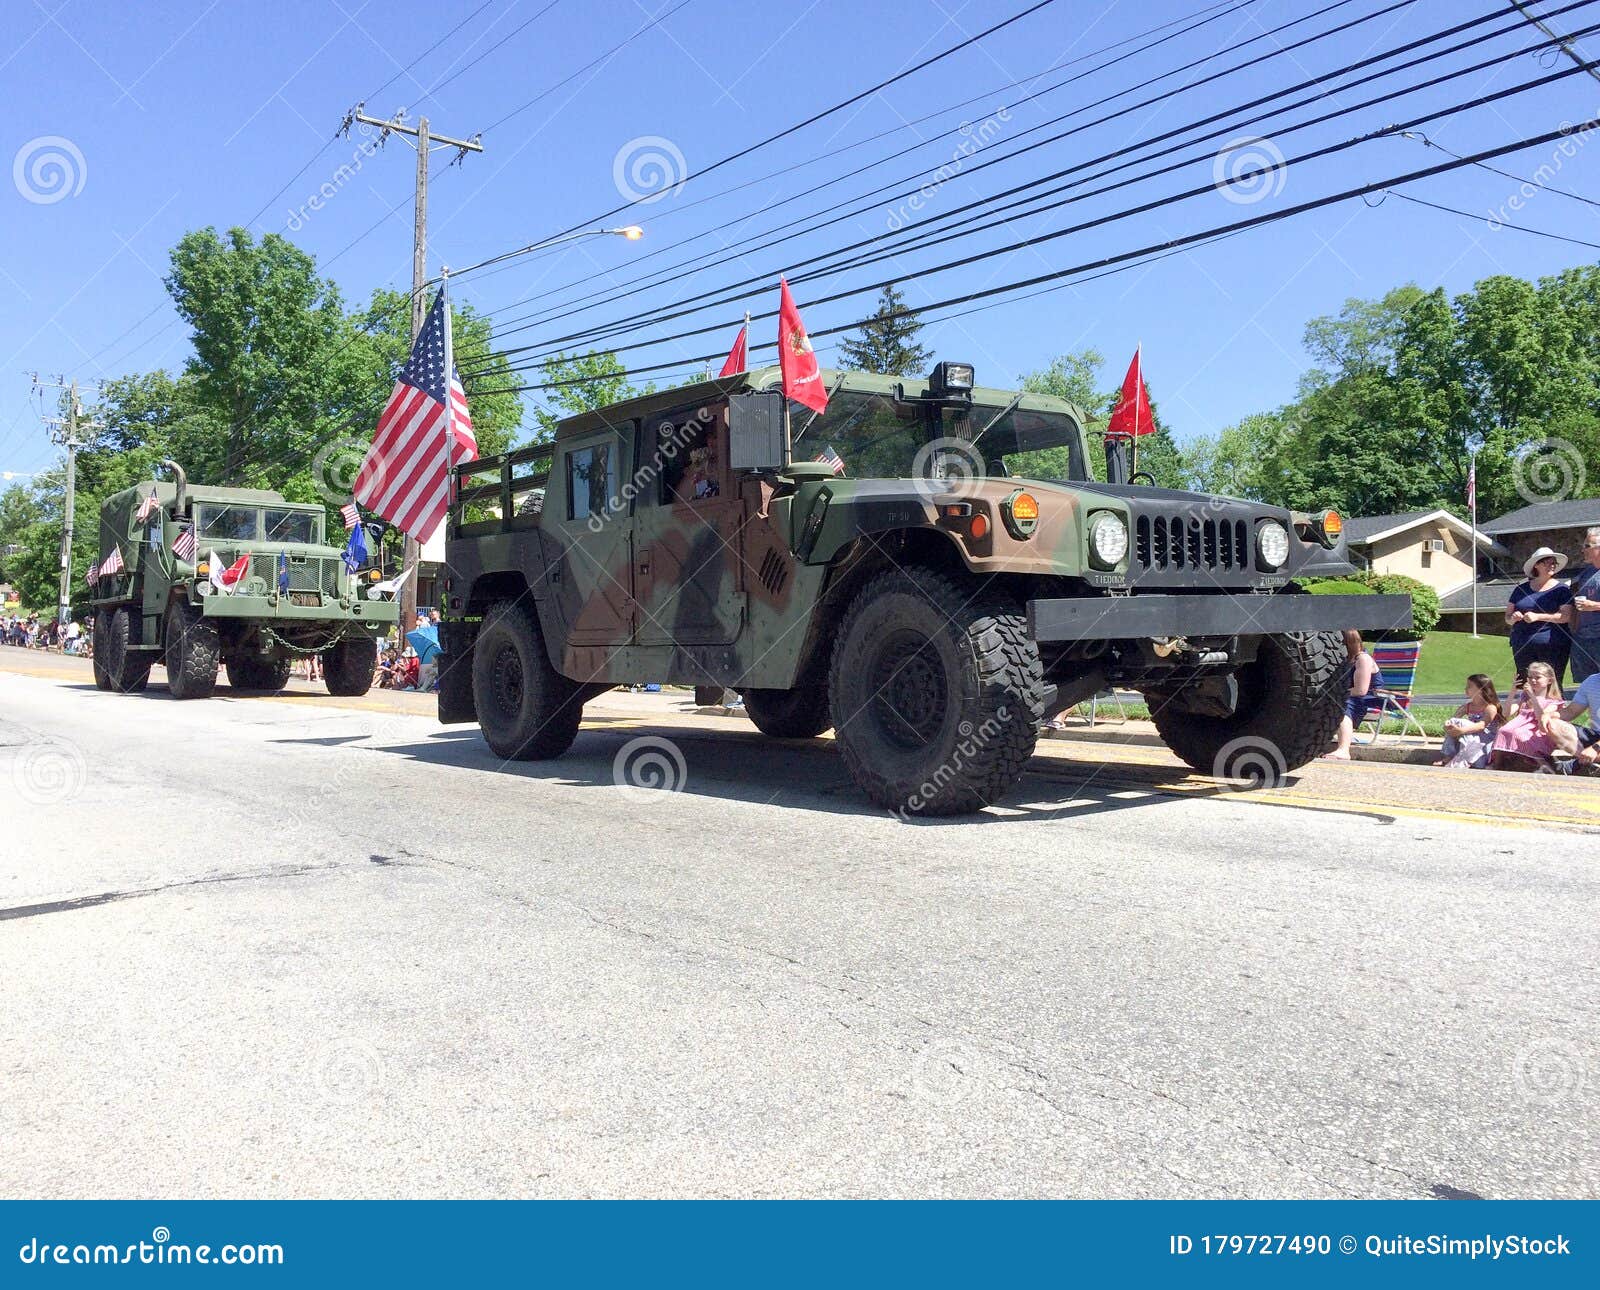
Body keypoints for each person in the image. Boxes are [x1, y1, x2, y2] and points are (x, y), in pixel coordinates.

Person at [1506, 547, 1574, 685]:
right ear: (1536, 565)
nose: (1552, 565)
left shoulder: (1562, 590)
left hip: (1553, 645)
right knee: (1525, 684)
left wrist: (1538, 617)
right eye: (1547, 562)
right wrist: (1513, 617)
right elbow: (1507, 617)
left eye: (1554, 562)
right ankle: (1526, 707)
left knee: (1551, 685)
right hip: (1522, 644)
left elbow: (1565, 616)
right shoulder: (1520, 589)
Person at [1488, 661, 1564, 771]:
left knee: (1518, 733)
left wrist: (1533, 697)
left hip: (1539, 732)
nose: (1533, 680)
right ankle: (1497, 764)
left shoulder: (1553, 702)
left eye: (1537, 677)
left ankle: (1542, 765)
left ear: (1550, 680)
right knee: (1503, 730)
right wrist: (1512, 692)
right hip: (1520, 728)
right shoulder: (1524, 697)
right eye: (1530, 677)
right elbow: (1506, 713)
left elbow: (1541, 718)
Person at [1322, 629, 1380, 760]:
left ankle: (1343, 750)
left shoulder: (1363, 659)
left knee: (1339, 706)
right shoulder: (1348, 660)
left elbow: (1361, 691)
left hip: (1368, 699)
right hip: (1352, 697)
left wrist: (1336, 693)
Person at [1434, 674, 1501, 769]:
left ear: (1481, 690)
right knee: (1454, 723)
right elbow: (1453, 719)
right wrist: (1448, 725)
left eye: (1469, 686)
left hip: (1484, 739)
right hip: (1470, 735)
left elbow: (1482, 725)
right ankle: (1449, 756)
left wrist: (1462, 730)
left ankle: (1462, 759)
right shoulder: (1466, 707)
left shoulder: (1490, 708)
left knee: (1461, 724)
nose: (1465, 688)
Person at [1546, 667, 1600, 771]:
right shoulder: (1591, 681)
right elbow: (1571, 711)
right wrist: (1548, 715)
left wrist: (1595, 748)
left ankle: (1578, 764)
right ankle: (1587, 760)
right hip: (1595, 735)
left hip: (1596, 745)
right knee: (1553, 725)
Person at [1568, 527, 1600, 685]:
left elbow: (1590, 605)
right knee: (1588, 687)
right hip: (1583, 639)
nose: (1583, 550)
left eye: (1587, 546)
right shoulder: (1585, 574)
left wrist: (1593, 605)